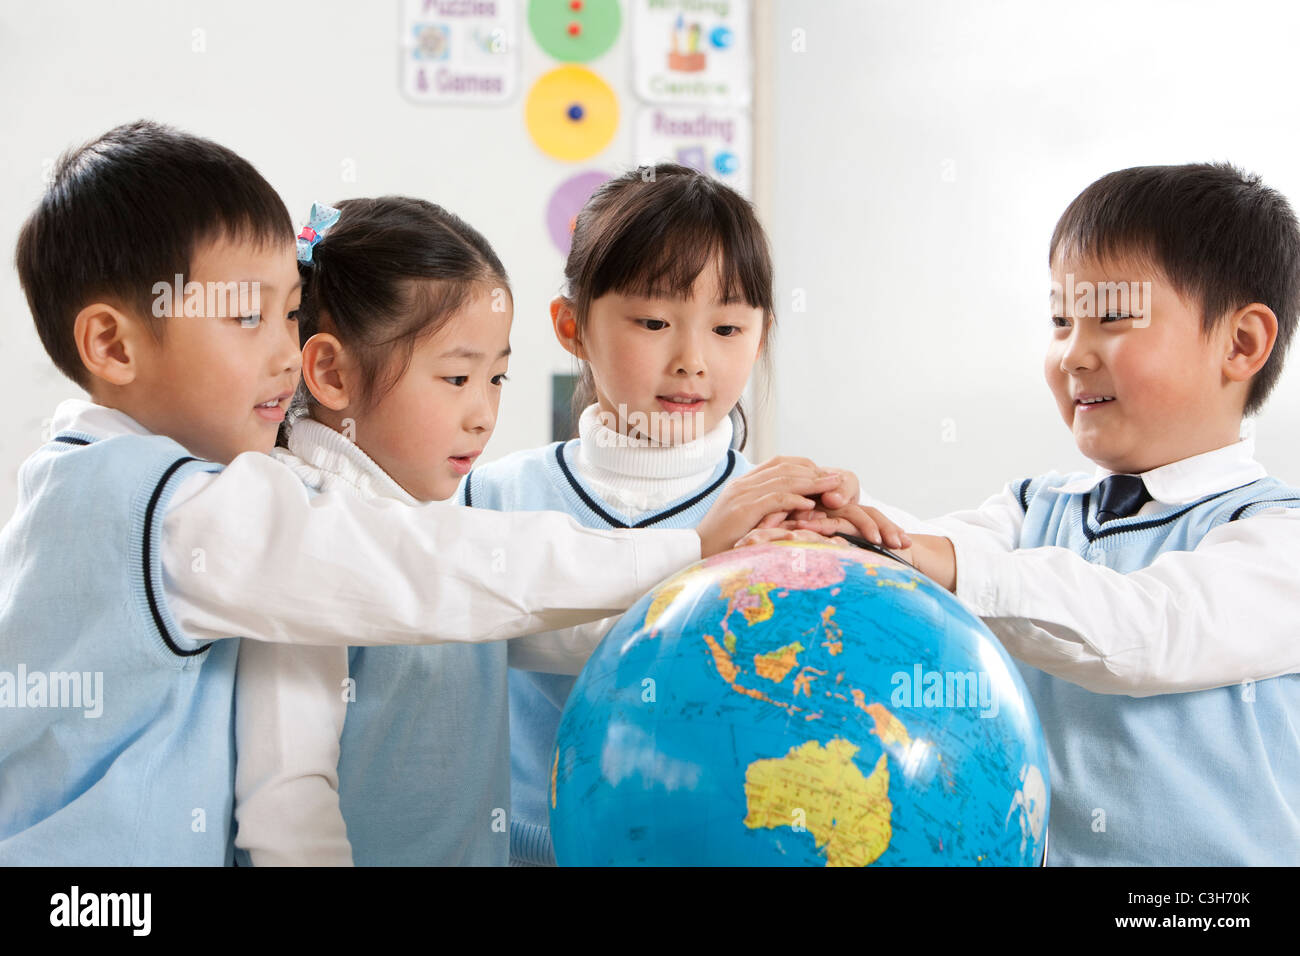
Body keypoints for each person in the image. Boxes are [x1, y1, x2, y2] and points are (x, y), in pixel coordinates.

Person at [0, 122, 861, 865]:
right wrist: (689, 549)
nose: (281, 354)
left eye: (290, 313)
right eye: (247, 317)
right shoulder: (177, 508)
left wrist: (716, 588)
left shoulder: (129, 485)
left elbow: (498, 620)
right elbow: (421, 582)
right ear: (113, 346)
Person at [794, 163, 1300, 865]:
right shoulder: (1036, 505)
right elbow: (929, 551)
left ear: (1240, 343)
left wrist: (931, 558)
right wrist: (836, 513)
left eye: (1114, 318)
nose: (1073, 354)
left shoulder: (1278, 536)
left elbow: (1145, 628)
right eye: (1061, 320)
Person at [461, 163, 910, 866]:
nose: (693, 360)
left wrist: (866, 552)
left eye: (729, 327)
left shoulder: (789, 511)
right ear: (571, 326)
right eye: (654, 321)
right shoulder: (491, 497)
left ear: (762, 335)